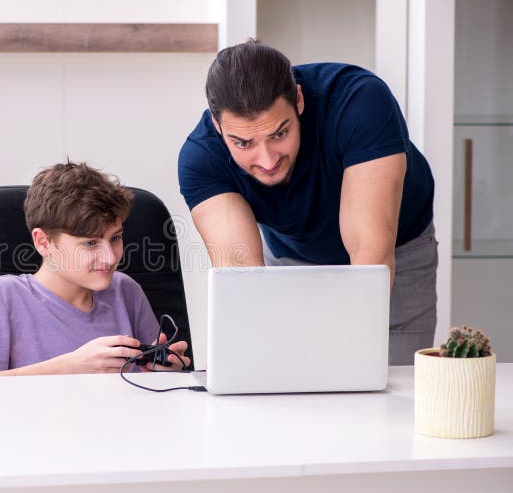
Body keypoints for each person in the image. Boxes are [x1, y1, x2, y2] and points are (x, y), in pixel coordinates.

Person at [178, 40, 437, 365]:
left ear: (298, 99)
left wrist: (343, 357)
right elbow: (242, 280)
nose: (267, 159)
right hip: (291, 257)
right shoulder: (201, 158)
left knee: (393, 387)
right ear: (218, 127)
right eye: (244, 143)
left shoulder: (360, 102)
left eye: (278, 134)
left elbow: (370, 255)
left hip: (396, 252)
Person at [0, 161, 191, 377]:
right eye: (90, 243)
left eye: (115, 238)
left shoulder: (126, 290)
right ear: (43, 242)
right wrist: (70, 367)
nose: (110, 257)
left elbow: (149, 389)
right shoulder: (2, 297)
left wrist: (164, 370)